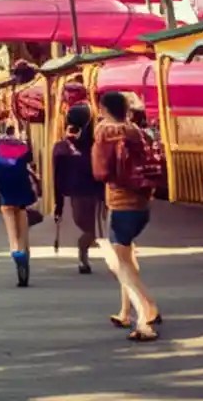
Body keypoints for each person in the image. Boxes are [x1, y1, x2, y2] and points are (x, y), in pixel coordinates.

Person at [93, 91, 162, 342]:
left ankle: (146, 315)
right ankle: (125, 311)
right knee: (127, 259)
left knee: (121, 265)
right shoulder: (137, 130)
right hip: (142, 202)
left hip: (122, 204)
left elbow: (100, 170)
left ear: (103, 108)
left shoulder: (105, 131)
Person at [53, 104, 105, 274]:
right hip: (91, 190)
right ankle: (83, 253)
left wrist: (58, 204)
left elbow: (57, 178)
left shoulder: (61, 148)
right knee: (90, 230)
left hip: (79, 191)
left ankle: (84, 255)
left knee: (89, 230)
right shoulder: (95, 145)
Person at [0, 124, 38, 287]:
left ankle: (17, 253)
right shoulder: (24, 147)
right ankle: (24, 258)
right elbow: (30, 163)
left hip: (5, 192)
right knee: (23, 229)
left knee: (12, 232)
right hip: (22, 191)